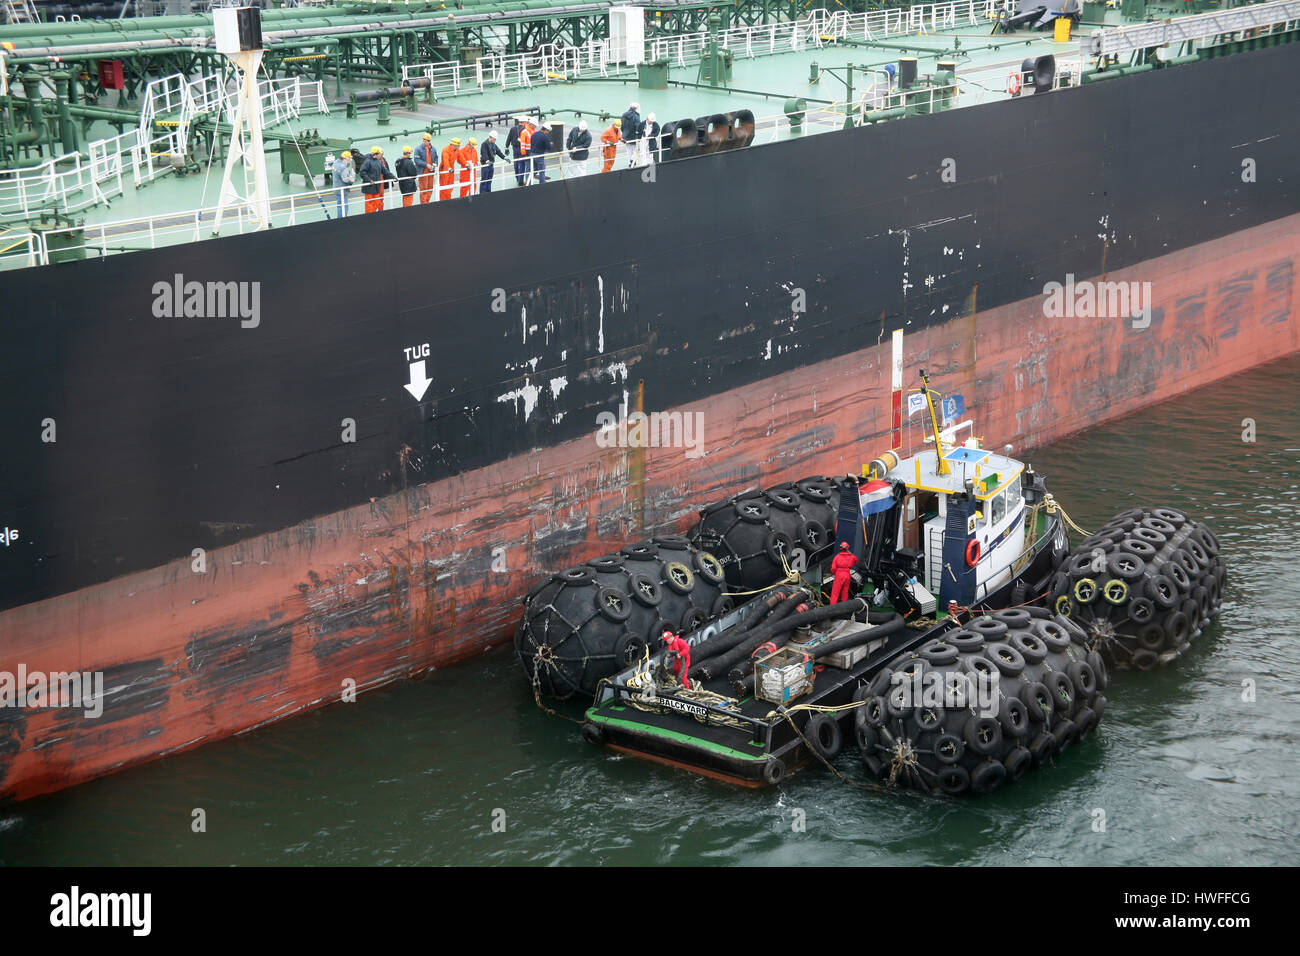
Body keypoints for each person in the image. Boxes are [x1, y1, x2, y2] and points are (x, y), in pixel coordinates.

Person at [359, 145, 389, 214]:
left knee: (376, 202)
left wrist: (392, 177)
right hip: (369, 187)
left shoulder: (378, 161)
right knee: (369, 204)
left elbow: (385, 170)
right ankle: (369, 218)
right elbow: (362, 172)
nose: (381, 155)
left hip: (376, 187)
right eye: (380, 154)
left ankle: (375, 217)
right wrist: (369, 180)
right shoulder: (367, 162)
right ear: (376, 154)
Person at [331, 149, 354, 218]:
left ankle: (340, 219)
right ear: (345, 159)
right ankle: (342, 220)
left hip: (336, 187)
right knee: (344, 206)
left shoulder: (335, 163)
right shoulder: (343, 167)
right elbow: (346, 180)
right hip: (342, 190)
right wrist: (352, 179)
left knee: (339, 205)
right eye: (349, 159)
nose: (350, 160)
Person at [413, 132, 436, 204]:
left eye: (425, 141)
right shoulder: (418, 149)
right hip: (423, 171)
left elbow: (436, 157)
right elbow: (416, 160)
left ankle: (427, 202)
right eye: (423, 140)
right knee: (423, 189)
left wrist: (435, 165)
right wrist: (426, 165)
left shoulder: (433, 149)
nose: (423, 142)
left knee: (430, 187)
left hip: (431, 171)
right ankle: (423, 204)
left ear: (429, 142)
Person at [505, 115, 527, 186]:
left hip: (514, 148)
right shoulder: (525, 130)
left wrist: (507, 147)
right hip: (522, 148)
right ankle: (520, 181)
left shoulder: (513, 129)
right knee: (522, 164)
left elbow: (508, 139)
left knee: (516, 163)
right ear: (523, 122)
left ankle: (517, 178)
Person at [620, 101, 641, 167]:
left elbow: (622, 126)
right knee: (637, 148)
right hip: (634, 136)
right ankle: (632, 160)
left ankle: (630, 162)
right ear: (636, 108)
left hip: (625, 136)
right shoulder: (636, 116)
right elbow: (637, 126)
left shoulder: (624, 114)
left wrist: (624, 133)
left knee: (629, 149)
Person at [438, 137, 460, 201]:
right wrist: (448, 168)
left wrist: (466, 164)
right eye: (458, 145)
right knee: (443, 186)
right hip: (445, 168)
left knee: (450, 186)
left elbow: (461, 158)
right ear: (455, 145)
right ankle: (442, 202)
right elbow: (445, 160)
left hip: (451, 168)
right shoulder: (446, 149)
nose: (459, 147)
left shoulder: (457, 150)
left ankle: (448, 200)